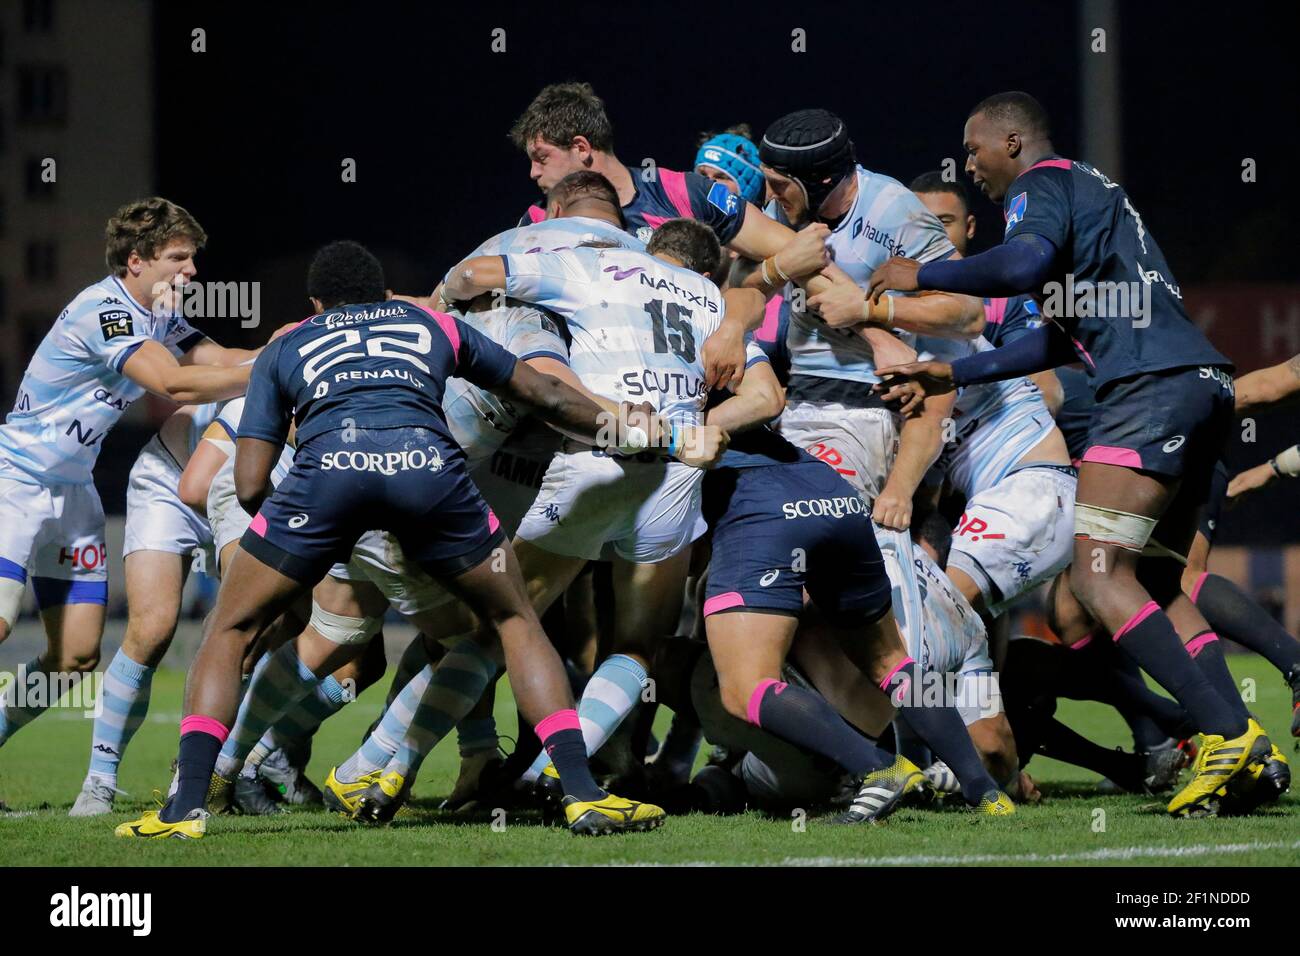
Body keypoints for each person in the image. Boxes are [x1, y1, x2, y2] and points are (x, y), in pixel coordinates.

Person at [115, 240, 674, 839]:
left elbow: (250, 479)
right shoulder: (431, 323)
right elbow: (547, 395)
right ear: (382, 294)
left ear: (315, 303)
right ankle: (581, 795)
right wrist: (628, 428)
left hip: (325, 480)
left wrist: (288, 542)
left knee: (229, 630)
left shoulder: (289, 344)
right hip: (428, 471)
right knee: (514, 621)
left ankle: (186, 807)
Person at [869, 91, 1270, 816]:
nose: (969, 164)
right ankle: (1243, 742)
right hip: (1202, 385)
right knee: (1156, 583)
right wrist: (951, 373)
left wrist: (919, 275)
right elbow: (1058, 340)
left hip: (1148, 389)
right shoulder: (1092, 193)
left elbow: (1020, 266)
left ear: (1013, 142)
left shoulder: (1040, 186)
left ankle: (1223, 731)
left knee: (1094, 571)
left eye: (974, 148)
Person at [0, 198, 254, 805]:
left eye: (192, 260)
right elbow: (171, 383)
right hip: (15, 481)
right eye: (178, 259)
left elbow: (215, 360)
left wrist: (285, 353)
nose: (191, 272)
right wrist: (268, 369)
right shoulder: (104, 310)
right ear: (137, 260)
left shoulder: (158, 315)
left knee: (75, 656)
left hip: (75, 492)